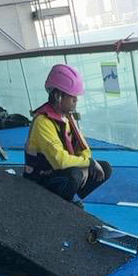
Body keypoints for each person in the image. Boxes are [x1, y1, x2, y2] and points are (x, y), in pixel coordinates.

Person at [24, 64, 111, 204]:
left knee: (105, 168)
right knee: (73, 175)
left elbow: (85, 149)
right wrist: (88, 163)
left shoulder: (67, 117)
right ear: (58, 96)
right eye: (72, 97)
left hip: (57, 172)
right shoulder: (43, 122)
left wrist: (86, 163)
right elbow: (60, 161)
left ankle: (67, 196)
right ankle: (61, 203)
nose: (76, 100)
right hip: (39, 178)